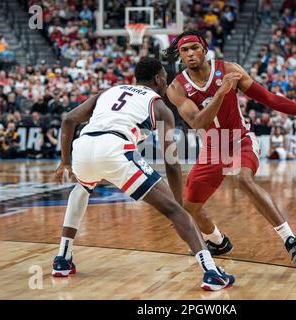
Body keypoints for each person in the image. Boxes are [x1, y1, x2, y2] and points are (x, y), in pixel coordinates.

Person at [52, 57, 234, 291]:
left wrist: (65, 162)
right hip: (115, 148)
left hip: (83, 146)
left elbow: (68, 119)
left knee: (83, 188)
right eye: (165, 80)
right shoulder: (159, 105)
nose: (166, 84)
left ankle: (62, 259)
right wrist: (178, 204)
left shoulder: (108, 92)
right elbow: (171, 162)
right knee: (175, 211)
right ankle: (212, 272)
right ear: (158, 79)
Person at [165, 31, 296, 264]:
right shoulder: (176, 87)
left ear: (204, 49)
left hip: (240, 139)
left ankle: (291, 239)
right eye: (185, 50)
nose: (190, 54)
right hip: (213, 147)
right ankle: (218, 241)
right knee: (189, 207)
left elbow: (269, 99)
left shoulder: (230, 69)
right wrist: (221, 94)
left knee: (242, 178)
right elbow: (197, 122)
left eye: (194, 48)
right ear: (180, 55)